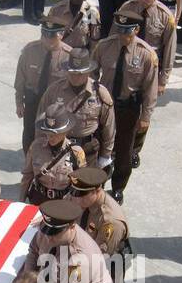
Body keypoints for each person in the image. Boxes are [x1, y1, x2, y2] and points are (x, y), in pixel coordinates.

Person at [92, 11, 159, 201]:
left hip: (128, 108)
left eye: (127, 31)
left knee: (124, 150)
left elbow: (150, 89)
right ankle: (97, 183)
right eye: (120, 30)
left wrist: (146, 117)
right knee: (100, 145)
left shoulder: (146, 54)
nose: (122, 35)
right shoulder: (104, 46)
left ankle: (118, 187)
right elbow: (92, 71)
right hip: (104, 107)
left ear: (136, 30)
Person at [38, 47, 116, 170]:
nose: (75, 77)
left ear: (88, 72)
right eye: (72, 73)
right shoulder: (54, 90)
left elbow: (108, 126)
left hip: (88, 149)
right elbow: (41, 120)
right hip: (60, 146)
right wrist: (40, 147)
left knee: (86, 186)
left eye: (79, 74)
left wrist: (105, 155)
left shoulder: (100, 93)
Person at [15, 17, 73, 153]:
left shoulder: (69, 56)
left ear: (61, 34)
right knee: (29, 134)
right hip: (32, 100)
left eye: (52, 36)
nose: (47, 40)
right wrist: (19, 102)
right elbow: (20, 78)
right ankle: (29, 162)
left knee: (51, 136)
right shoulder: (30, 50)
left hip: (54, 105)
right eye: (44, 35)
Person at [120, 0, 179, 93]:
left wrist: (163, 80)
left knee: (146, 105)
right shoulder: (127, 8)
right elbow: (114, 37)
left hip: (150, 67)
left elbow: (170, 48)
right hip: (126, 65)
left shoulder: (165, 16)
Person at [22, 106, 86, 204]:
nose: (50, 137)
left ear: (65, 132)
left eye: (56, 133)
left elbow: (81, 183)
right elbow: (27, 175)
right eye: (48, 132)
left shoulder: (76, 152)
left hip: (63, 202)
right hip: (39, 199)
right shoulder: (35, 147)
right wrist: (21, 201)